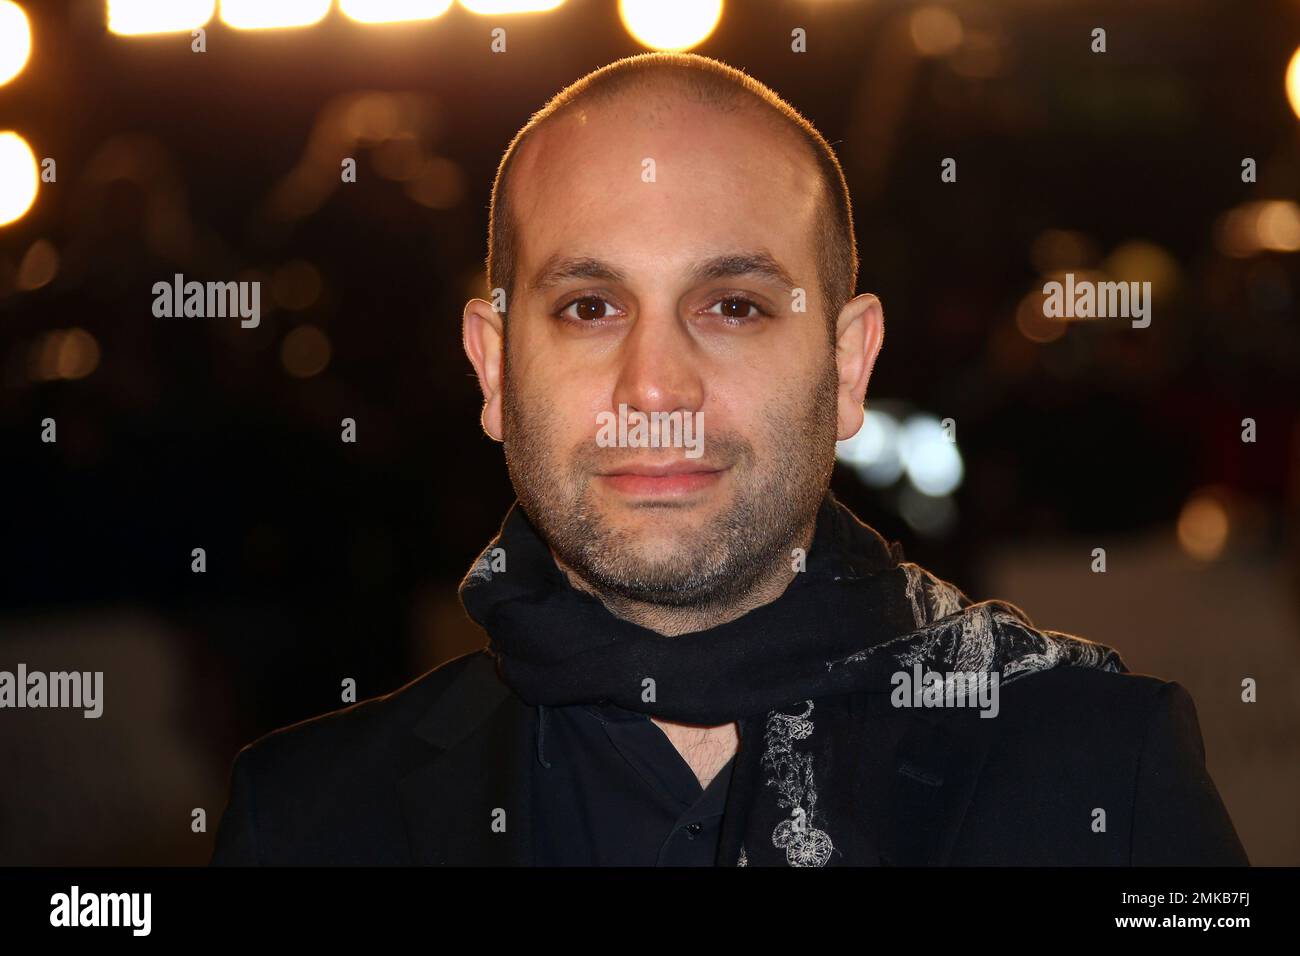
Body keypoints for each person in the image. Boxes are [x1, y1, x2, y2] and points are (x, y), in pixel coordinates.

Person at [211, 52, 1247, 866]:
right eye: (588, 306)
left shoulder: (1102, 769)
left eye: (734, 306)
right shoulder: (304, 818)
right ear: (492, 366)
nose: (654, 387)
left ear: (846, 365)